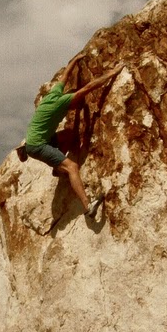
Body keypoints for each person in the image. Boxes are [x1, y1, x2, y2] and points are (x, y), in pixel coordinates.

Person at [19, 64, 121, 218]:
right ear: (71, 101)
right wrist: (112, 73)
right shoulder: (62, 102)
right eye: (76, 105)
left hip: (39, 140)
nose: (75, 109)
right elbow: (89, 88)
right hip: (38, 145)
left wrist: (77, 61)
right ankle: (88, 207)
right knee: (72, 167)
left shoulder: (55, 94)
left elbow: (64, 76)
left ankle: (58, 167)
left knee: (69, 135)